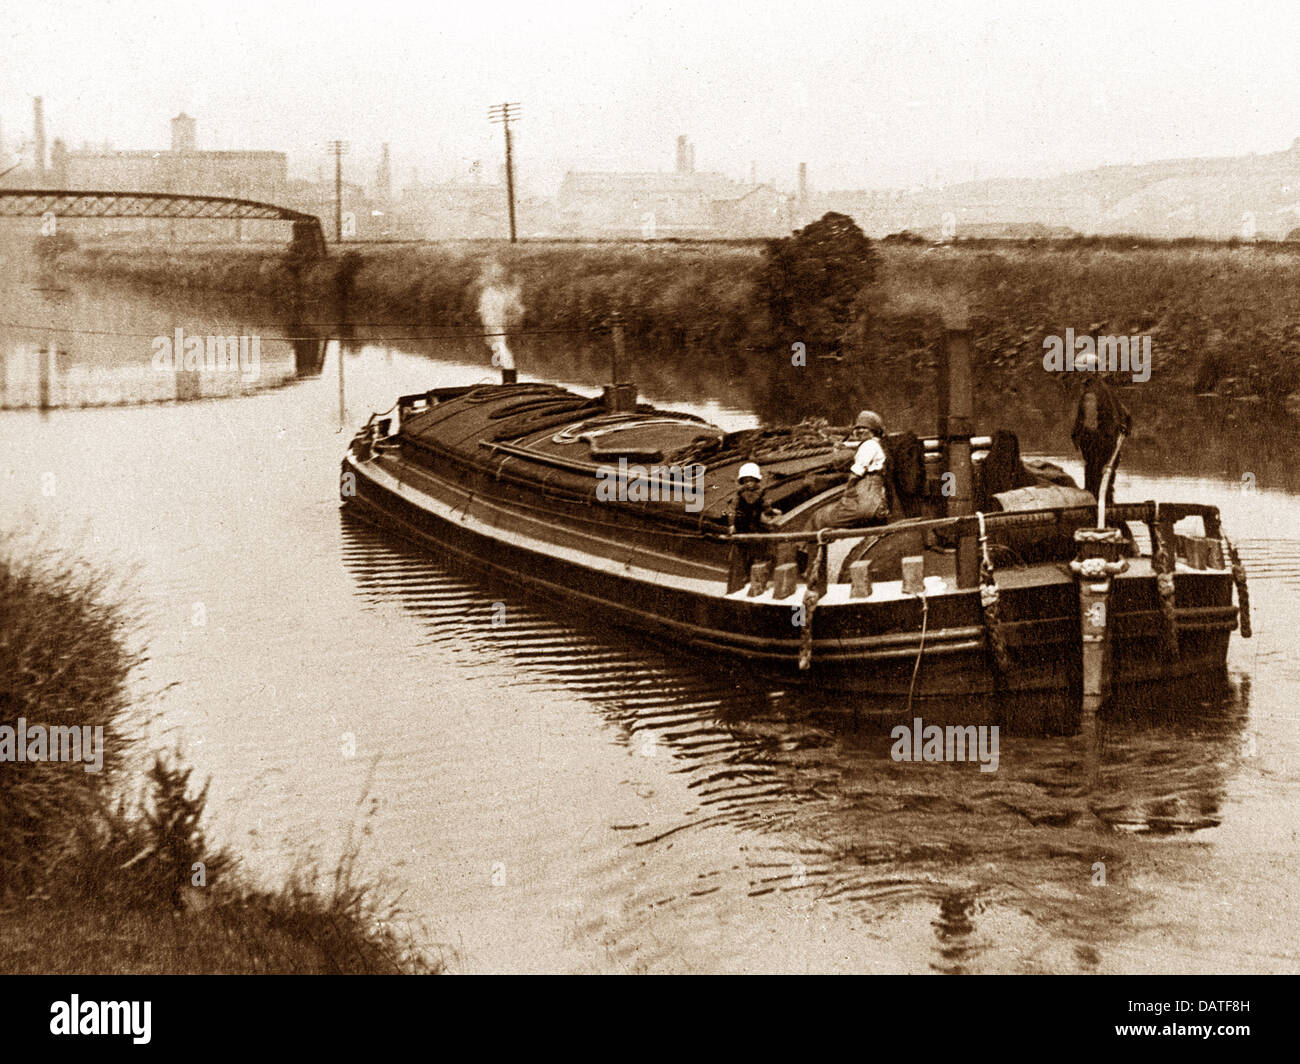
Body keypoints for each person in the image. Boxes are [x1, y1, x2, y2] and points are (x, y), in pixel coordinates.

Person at [814, 410, 891, 530]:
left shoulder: (869, 445)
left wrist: (847, 495)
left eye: (864, 428)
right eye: (857, 428)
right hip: (876, 504)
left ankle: (801, 547)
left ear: (873, 431)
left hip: (864, 504)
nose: (859, 431)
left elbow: (856, 473)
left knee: (818, 517)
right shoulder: (876, 445)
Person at [1071, 354, 1131, 504]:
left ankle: (1099, 518)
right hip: (1109, 449)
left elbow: (1090, 425)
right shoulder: (1105, 389)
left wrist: (1082, 441)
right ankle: (1109, 516)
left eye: (1080, 371)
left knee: (1094, 489)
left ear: (1089, 371)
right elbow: (1127, 417)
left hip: (1096, 451)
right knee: (1107, 487)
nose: (1078, 375)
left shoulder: (1091, 393)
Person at [727, 463, 782, 586]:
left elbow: (764, 506)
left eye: (752, 480)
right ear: (743, 482)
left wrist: (772, 511)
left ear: (756, 481)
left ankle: (758, 574)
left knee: (759, 550)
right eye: (746, 480)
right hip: (742, 525)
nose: (749, 483)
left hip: (755, 524)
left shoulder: (760, 494)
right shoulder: (738, 496)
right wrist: (732, 525)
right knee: (743, 553)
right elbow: (732, 511)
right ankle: (745, 575)